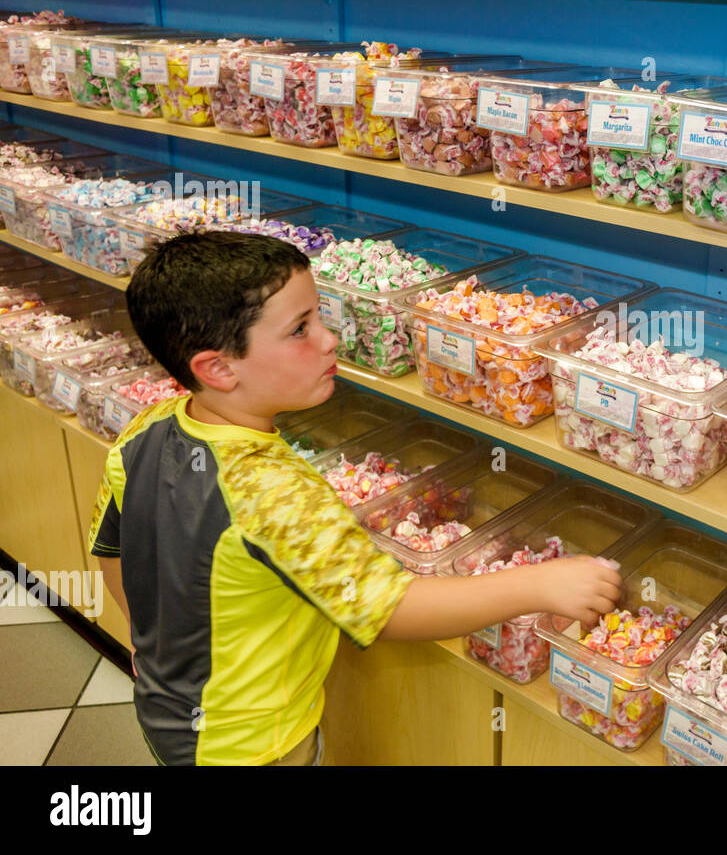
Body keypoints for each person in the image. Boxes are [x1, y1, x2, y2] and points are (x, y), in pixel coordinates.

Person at [87, 230, 622, 766]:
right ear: (218, 369)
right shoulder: (272, 490)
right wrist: (537, 583)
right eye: (300, 330)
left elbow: (111, 550)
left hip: (165, 710)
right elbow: (393, 610)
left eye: (319, 315)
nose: (329, 339)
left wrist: (145, 644)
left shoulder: (144, 430)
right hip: (254, 746)